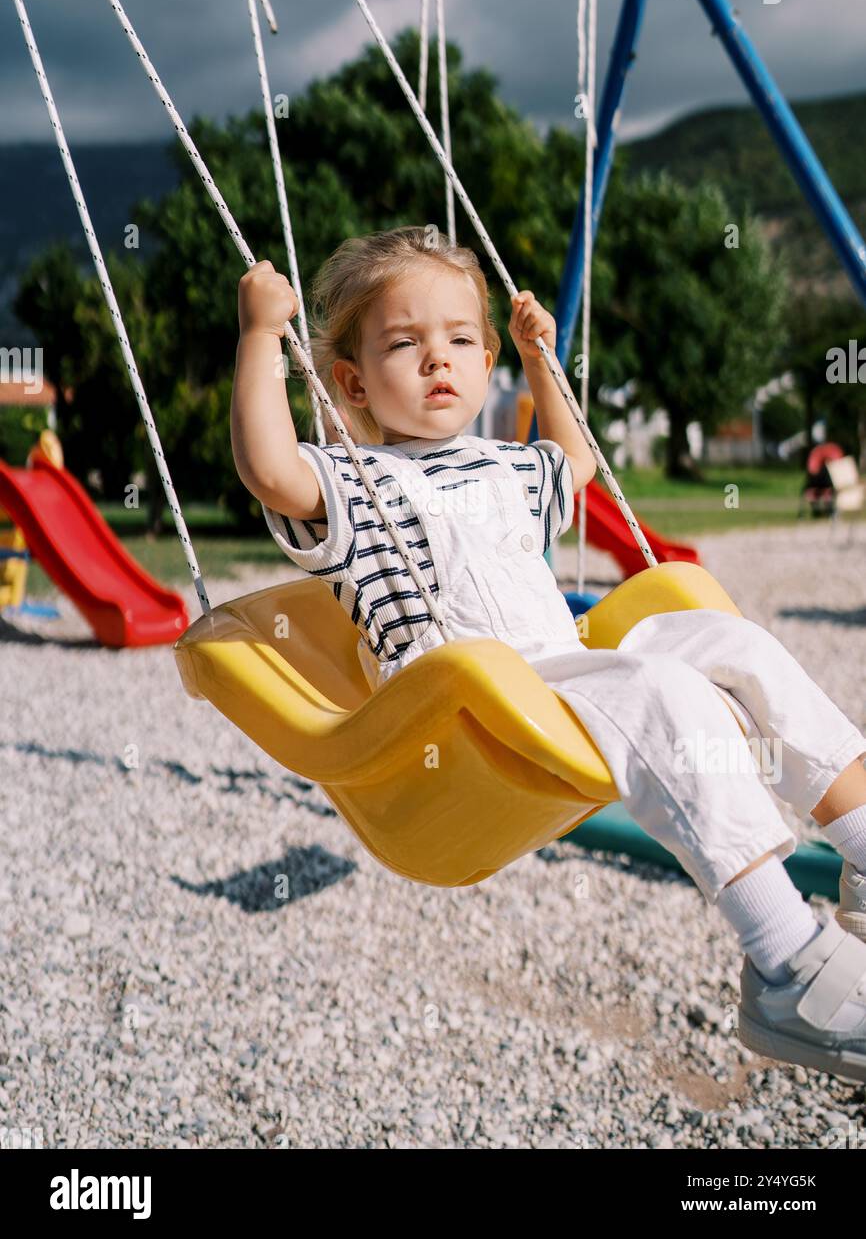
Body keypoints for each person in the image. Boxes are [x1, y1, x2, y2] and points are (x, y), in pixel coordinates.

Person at [230, 225, 866, 1083]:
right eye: (405, 344)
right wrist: (262, 335)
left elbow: (574, 461)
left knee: (730, 642)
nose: (437, 361)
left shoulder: (502, 465)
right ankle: (787, 964)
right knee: (659, 693)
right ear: (351, 382)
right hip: (471, 708)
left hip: (560, 663)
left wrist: (540, 362)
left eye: (460, 339)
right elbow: (268, 468)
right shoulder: (354, 484)